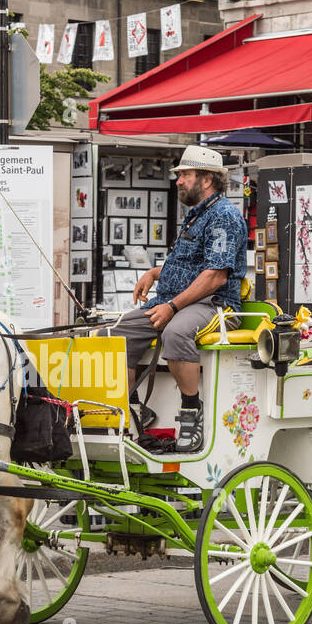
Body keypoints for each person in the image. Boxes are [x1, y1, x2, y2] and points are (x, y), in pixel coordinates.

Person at [113, 144, 247, 452]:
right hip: (177, 300)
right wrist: (155, 273)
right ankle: (132, 412)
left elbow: (215, 275)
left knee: (176, 331)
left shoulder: (224, 216)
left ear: (207, 179)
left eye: (184, 175)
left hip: (216, 305)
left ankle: (191, 412)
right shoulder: (196, 215)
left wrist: (172, 306)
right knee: (118, 333)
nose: (178, 181)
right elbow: (189, 265)